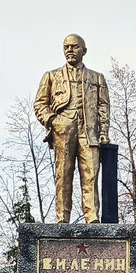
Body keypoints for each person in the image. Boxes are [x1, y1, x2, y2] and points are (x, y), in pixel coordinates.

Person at [33, 34, 110, 224]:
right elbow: (40, 104)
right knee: (63, 176)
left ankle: (92, 219)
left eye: (74, 47)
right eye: (66, 46)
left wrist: (103, 133)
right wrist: (53, 120)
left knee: (91, 176)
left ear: (84, 50)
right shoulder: (51, 76)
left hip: (89, 134)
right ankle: (62, 219)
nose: (69, 50)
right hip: (63, 131)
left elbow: (103, 107)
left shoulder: (96, 78)